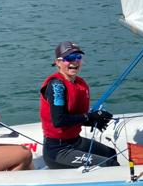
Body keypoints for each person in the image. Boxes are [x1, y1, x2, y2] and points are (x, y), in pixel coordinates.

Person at [39, 41, 118, 169]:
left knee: (110, 154)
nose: (74, 62)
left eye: (78, 57)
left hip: (75, 141)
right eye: (69, 58)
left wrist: (93, 121)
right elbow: (59, 120)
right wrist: (89, 117)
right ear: (58, 62)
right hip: (58, 150)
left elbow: (73, 117)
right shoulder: (56, 86)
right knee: (108, 164)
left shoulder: (79, 83)